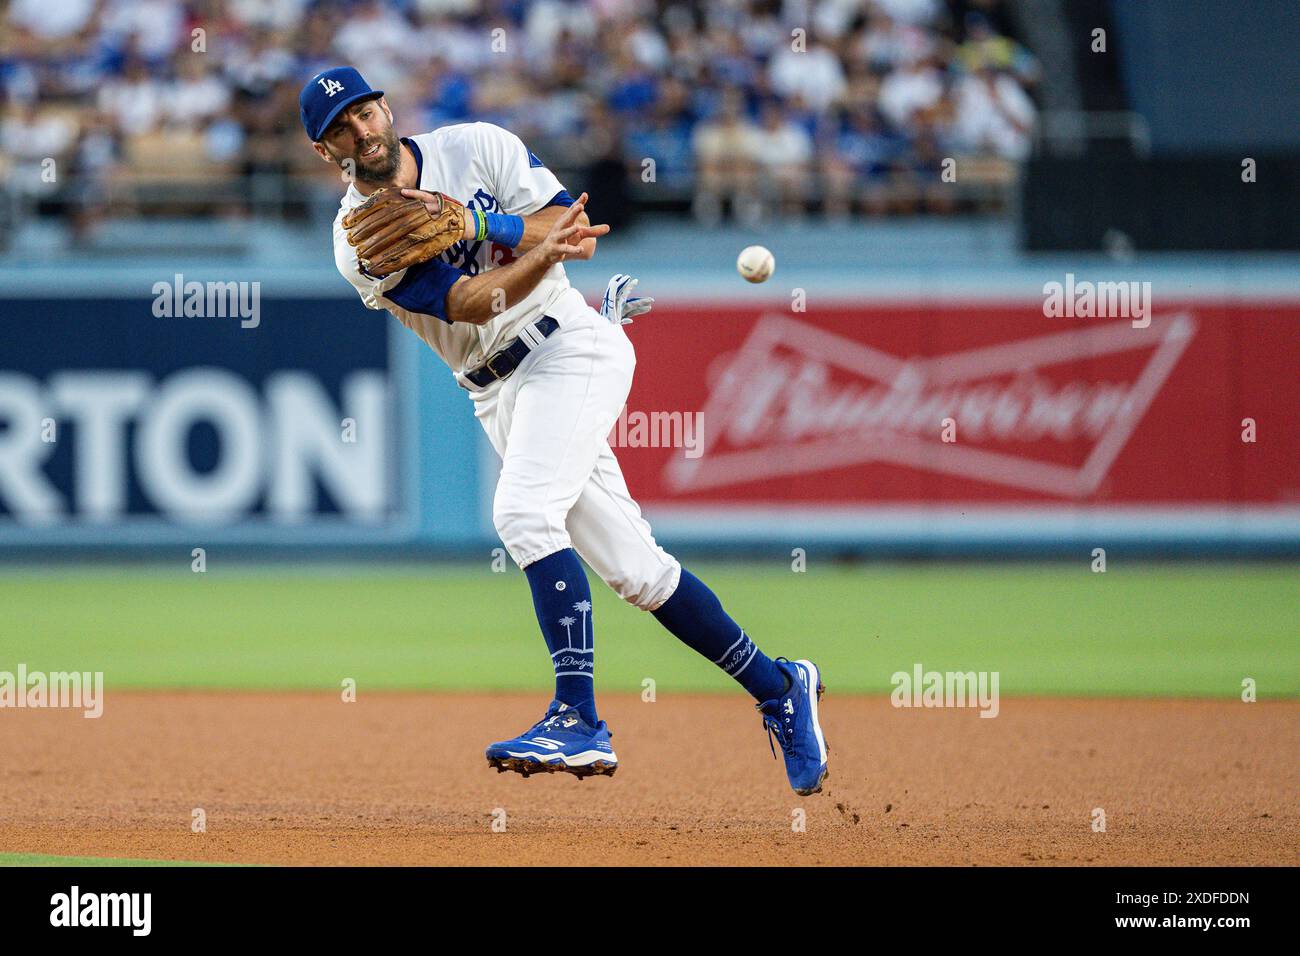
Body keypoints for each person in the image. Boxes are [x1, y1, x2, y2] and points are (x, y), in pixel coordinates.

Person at [300, 67, 829, 794]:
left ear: (386, 107)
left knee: (522, 512)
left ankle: (577, 718)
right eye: (341, 131)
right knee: (640, 573)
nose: (361, 132)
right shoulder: (358, 241)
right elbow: (469, 302)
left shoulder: (476, 146)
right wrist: (530, 248)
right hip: (496, 390)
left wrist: (486, 225)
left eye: (365, 112)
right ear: (327, 154)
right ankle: (780, 686)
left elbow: (567, 223)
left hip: (568, 347)